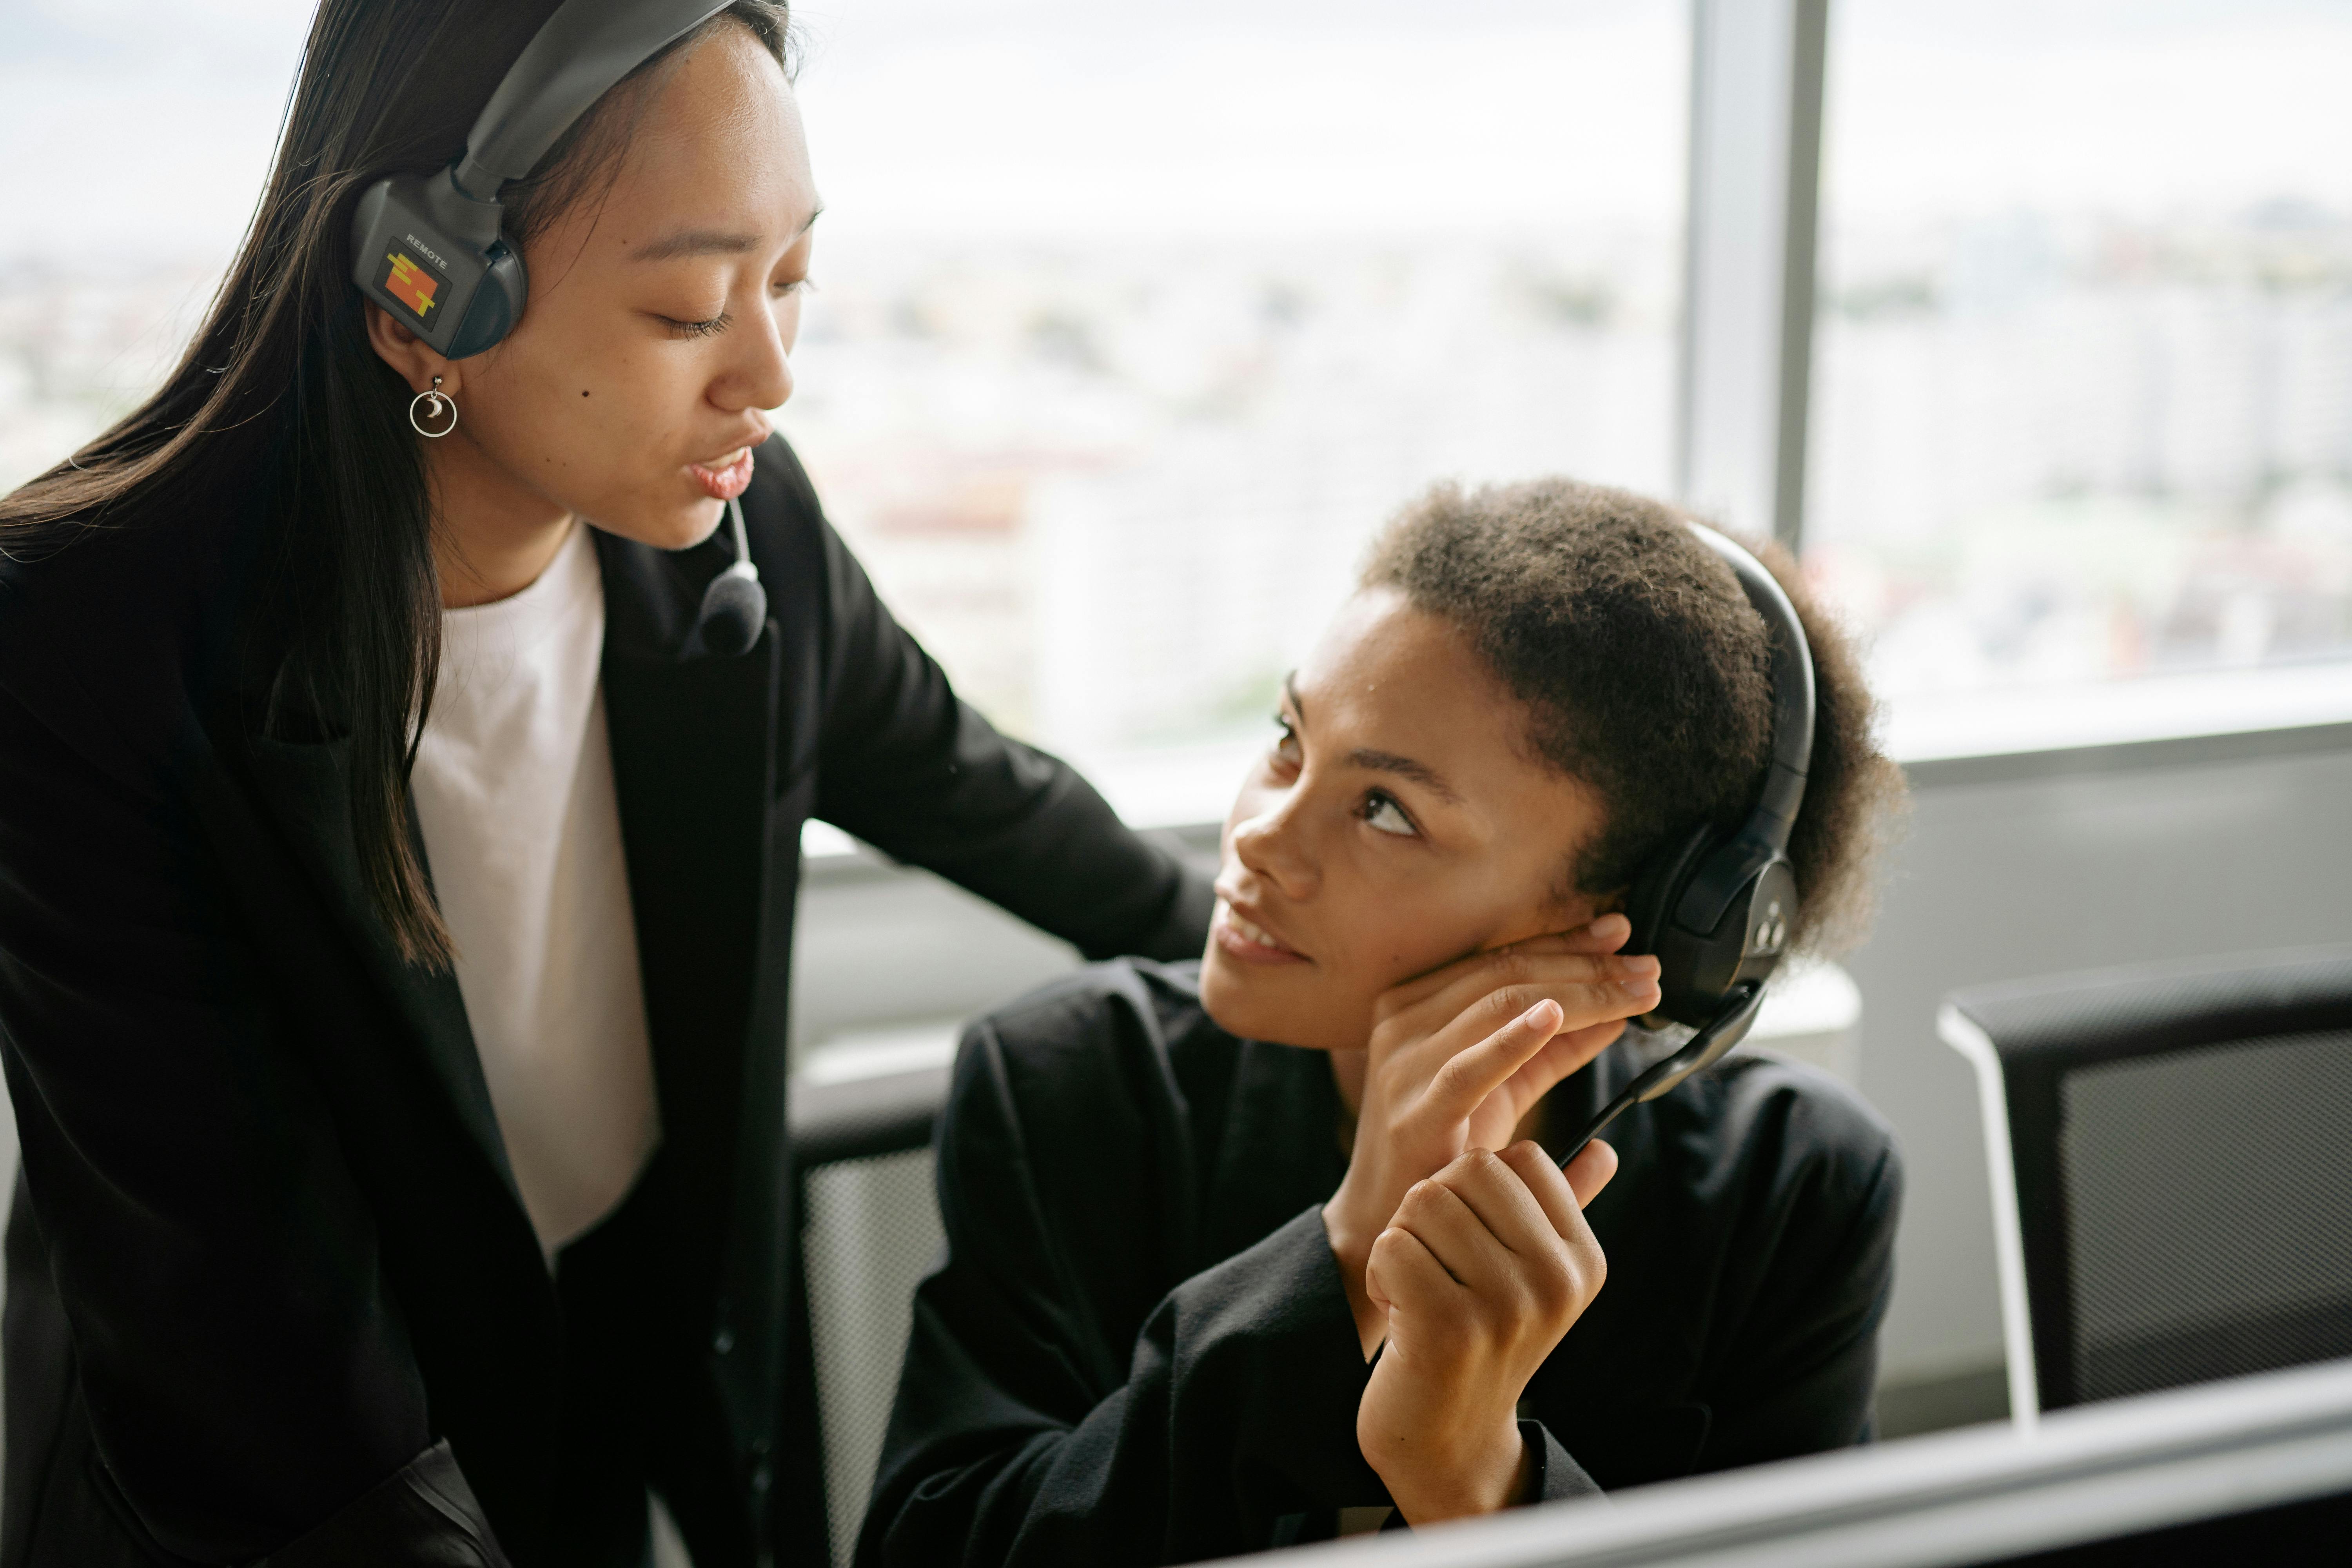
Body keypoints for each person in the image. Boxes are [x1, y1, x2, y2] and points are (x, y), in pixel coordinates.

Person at [0, 5, 1208, 1565]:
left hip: (607, 1385)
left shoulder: (739, 527)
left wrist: (1358, 969)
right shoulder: (85, 647)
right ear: (424, 298)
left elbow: (991, 799)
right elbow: (257, 1334)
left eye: (792, 283)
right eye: (694, 307)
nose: (769, 375)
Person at [861, 478, 1910, 1565]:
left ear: (1616, 925)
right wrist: (1343, 1258)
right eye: (1287, 737)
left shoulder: (1794, 1187)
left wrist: (1478, 1482)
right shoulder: (1071, 1082)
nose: (1261, 838)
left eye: (1384, 810)